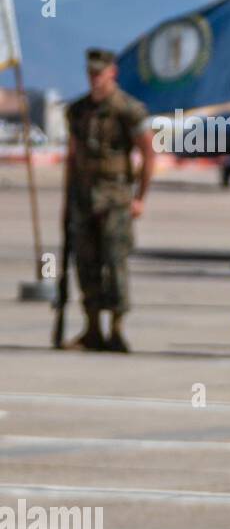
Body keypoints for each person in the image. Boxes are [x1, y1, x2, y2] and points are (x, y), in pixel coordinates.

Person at [62, 48, 156, 352]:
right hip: (84, 200)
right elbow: (72, 157)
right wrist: (67, 200)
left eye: (99, 74)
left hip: (115, 200)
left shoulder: (128, 109)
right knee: (86, 264)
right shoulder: (77, 110)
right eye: (90, 74)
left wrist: (140, 197)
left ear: (112, 73)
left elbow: (148, 154)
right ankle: (92, 329)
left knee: (115, 263)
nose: (94, 80)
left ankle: (116, 328)